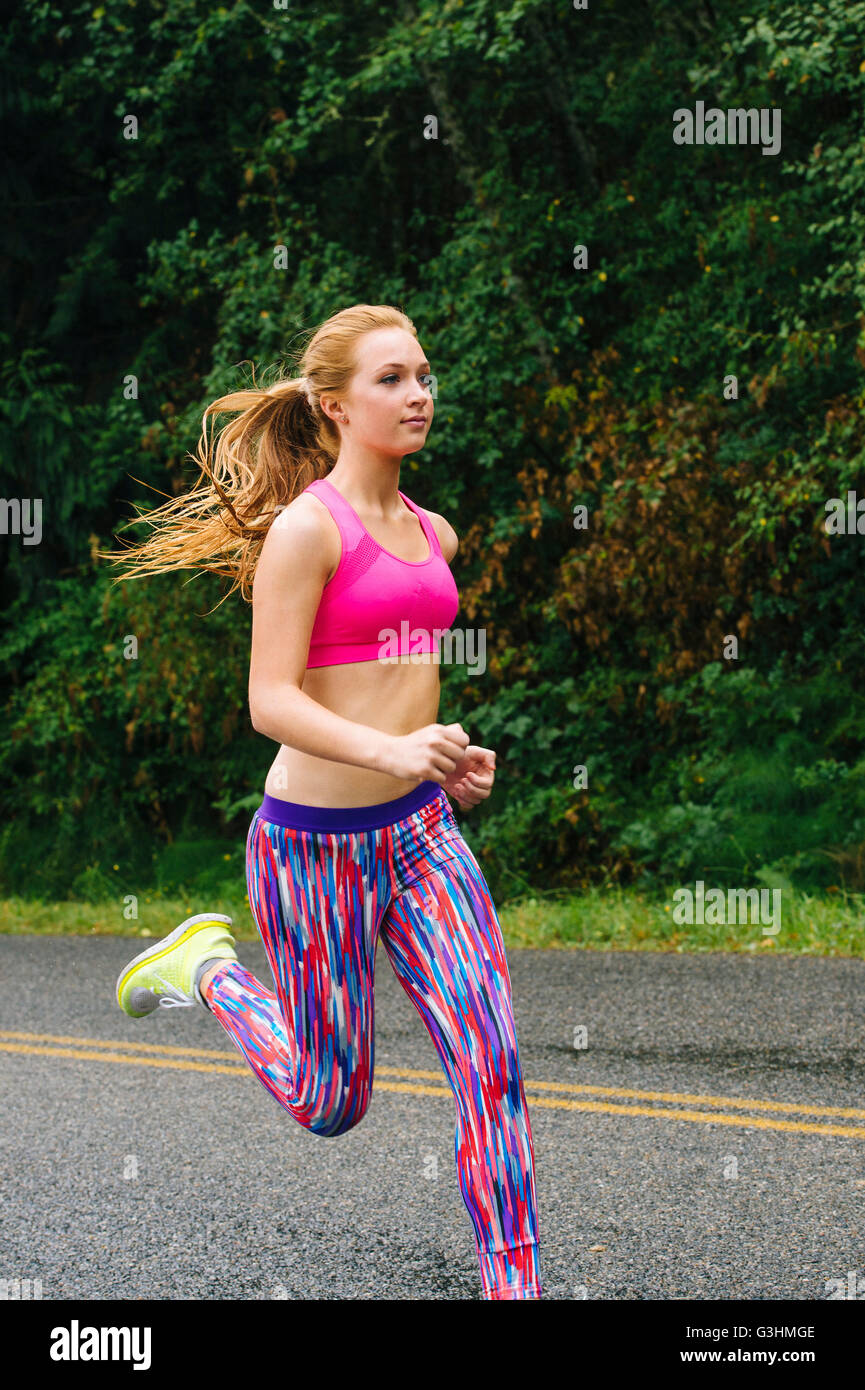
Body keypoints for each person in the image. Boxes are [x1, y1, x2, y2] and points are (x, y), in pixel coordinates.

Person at [107, 303, 543, 1300]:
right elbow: (271, 700)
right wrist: (391, 746)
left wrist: (442, 758)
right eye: (391, 378)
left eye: (424, 374)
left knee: (490, 1056)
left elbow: (399, 679)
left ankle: (512, 1286)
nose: (418, 393)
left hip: (421, 836)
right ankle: (210, 971)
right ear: (336, 404)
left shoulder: (435, 531)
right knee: (327, 1099)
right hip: (311, 850)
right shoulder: (306, 532)